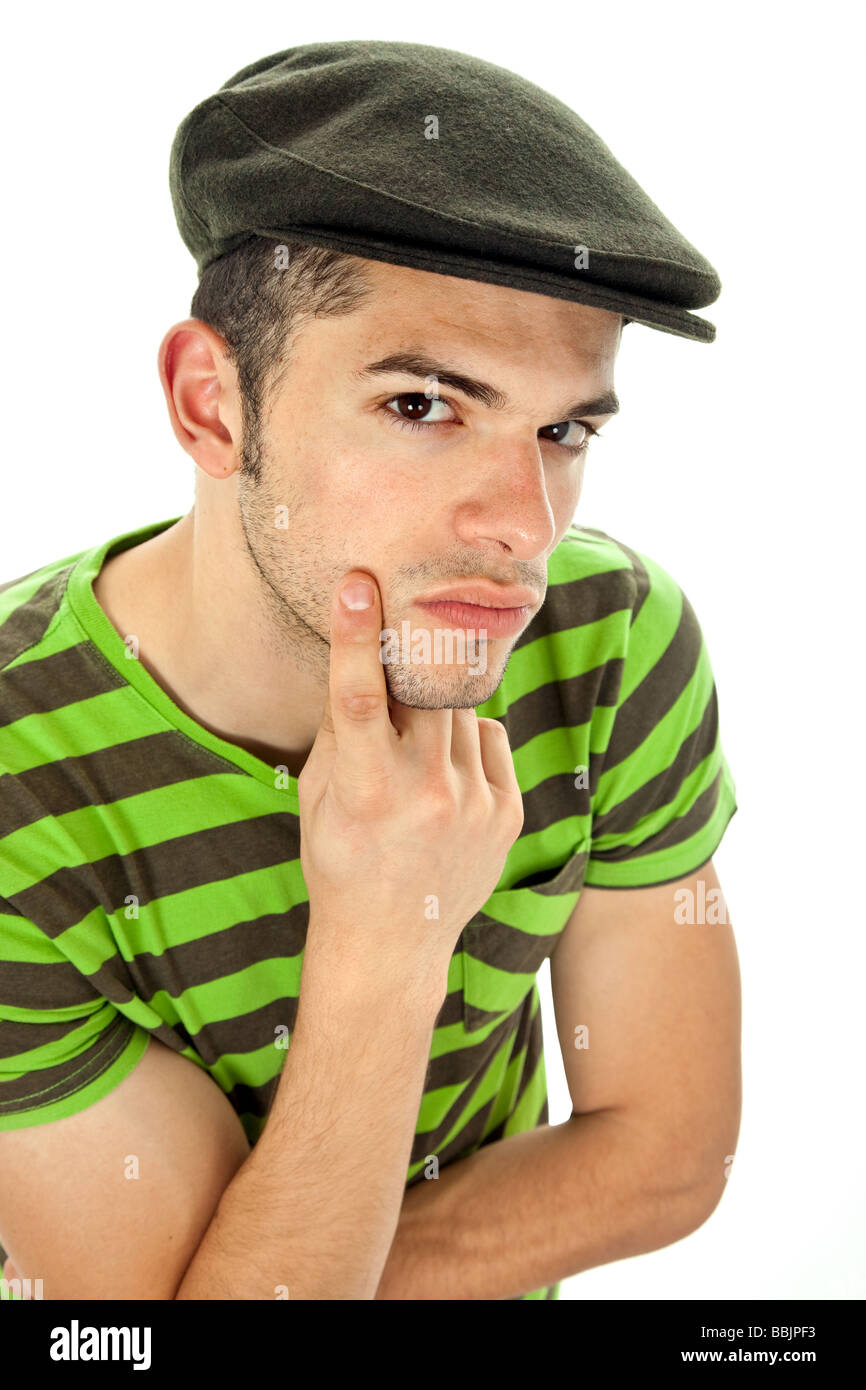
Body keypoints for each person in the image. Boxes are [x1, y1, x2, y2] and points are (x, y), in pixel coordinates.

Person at [0, 40, 740, 1301]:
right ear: (212, 405)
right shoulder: (20, 780)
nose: (523, 526)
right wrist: (386, 930)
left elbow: (667, 1154)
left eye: (561, 430)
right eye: (422, 406)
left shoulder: (605, 638)